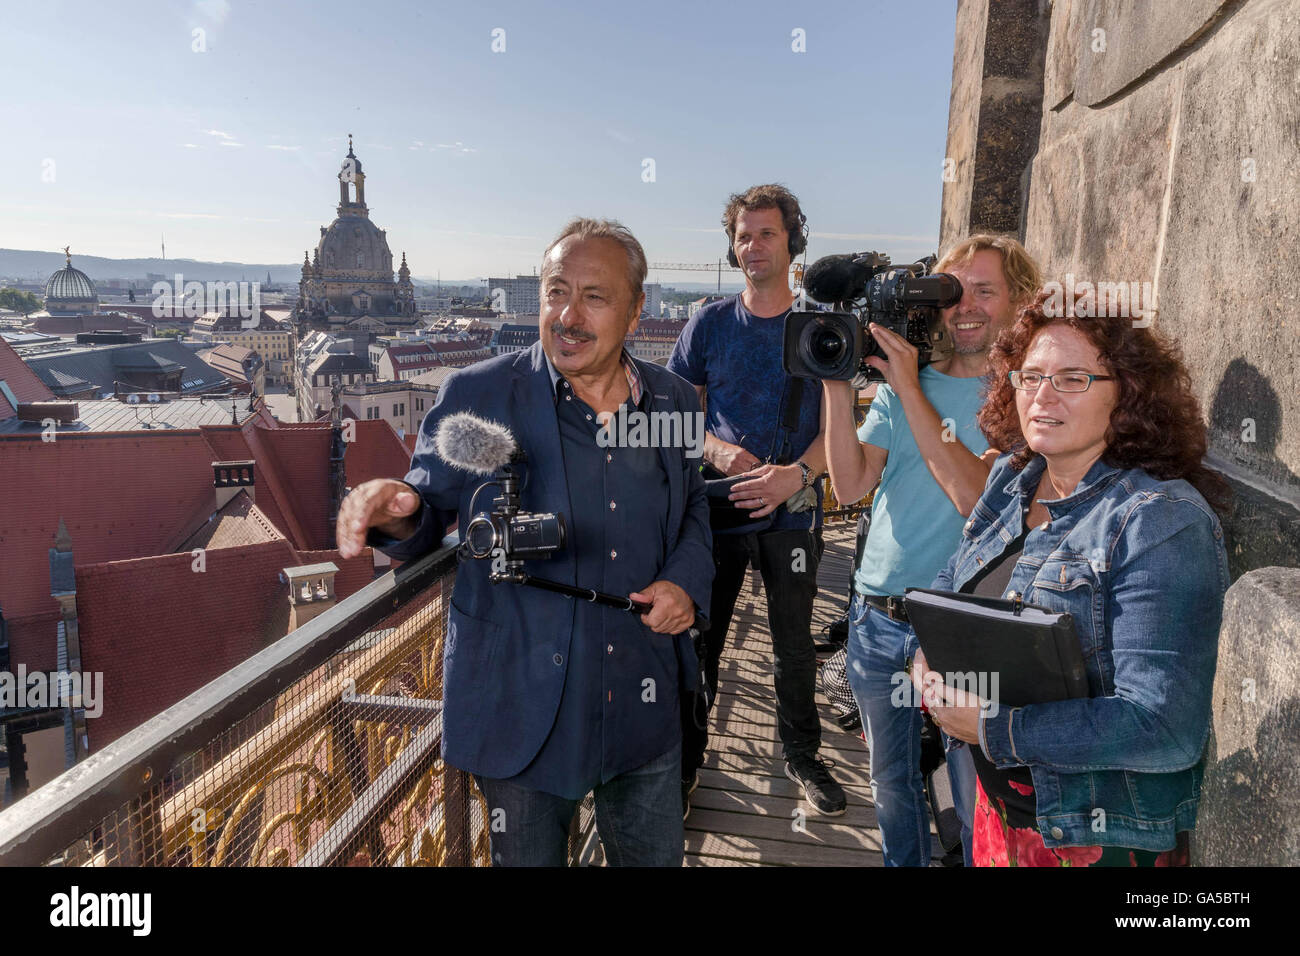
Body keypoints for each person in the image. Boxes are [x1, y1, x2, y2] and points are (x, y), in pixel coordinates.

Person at [337, 218, 713, 866]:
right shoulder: (481, 395)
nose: (568, 314)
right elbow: (427, 509)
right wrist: (398, 508)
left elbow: (695, 507)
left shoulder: (674, 401)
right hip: (521, 715)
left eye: (594, 296)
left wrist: (684, 579)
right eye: (555, 291)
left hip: (642, 710)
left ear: (635, 310)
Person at [914, 300, 1230, 866]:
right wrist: (925, 653)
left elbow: (1163, 726)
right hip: (998, 810)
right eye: (1030, 376)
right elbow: (954, 578)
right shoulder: (1014, 477)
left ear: (1128, 392)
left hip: (1090, 835)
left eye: (1072, 378)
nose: (1043, 395)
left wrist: (995, 730)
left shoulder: (1157, 519)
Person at [822, 234, 1043, 865]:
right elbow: (851, 483)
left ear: (1018, 300)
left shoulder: (1025, 397)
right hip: (878, 614)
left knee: (975, 792)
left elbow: (977, 498)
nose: (964, 306)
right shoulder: (902, 386)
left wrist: (909, 390)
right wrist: (836, 383)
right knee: (890, 783)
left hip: (962, 625)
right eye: (952, 291)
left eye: (984, 290)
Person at [668, 184, 845, 817]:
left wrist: (795, 475)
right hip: (719, 507)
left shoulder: (821, 328)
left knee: (793, 641)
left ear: (792, 242)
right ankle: (687, 763)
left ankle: (802, 756)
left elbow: (842, 429)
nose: (753, 246)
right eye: (744, 235)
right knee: (700, 640)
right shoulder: (708, 323)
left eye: (767, 233)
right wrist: (718, 453)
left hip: (792, 511)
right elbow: (675, 418)